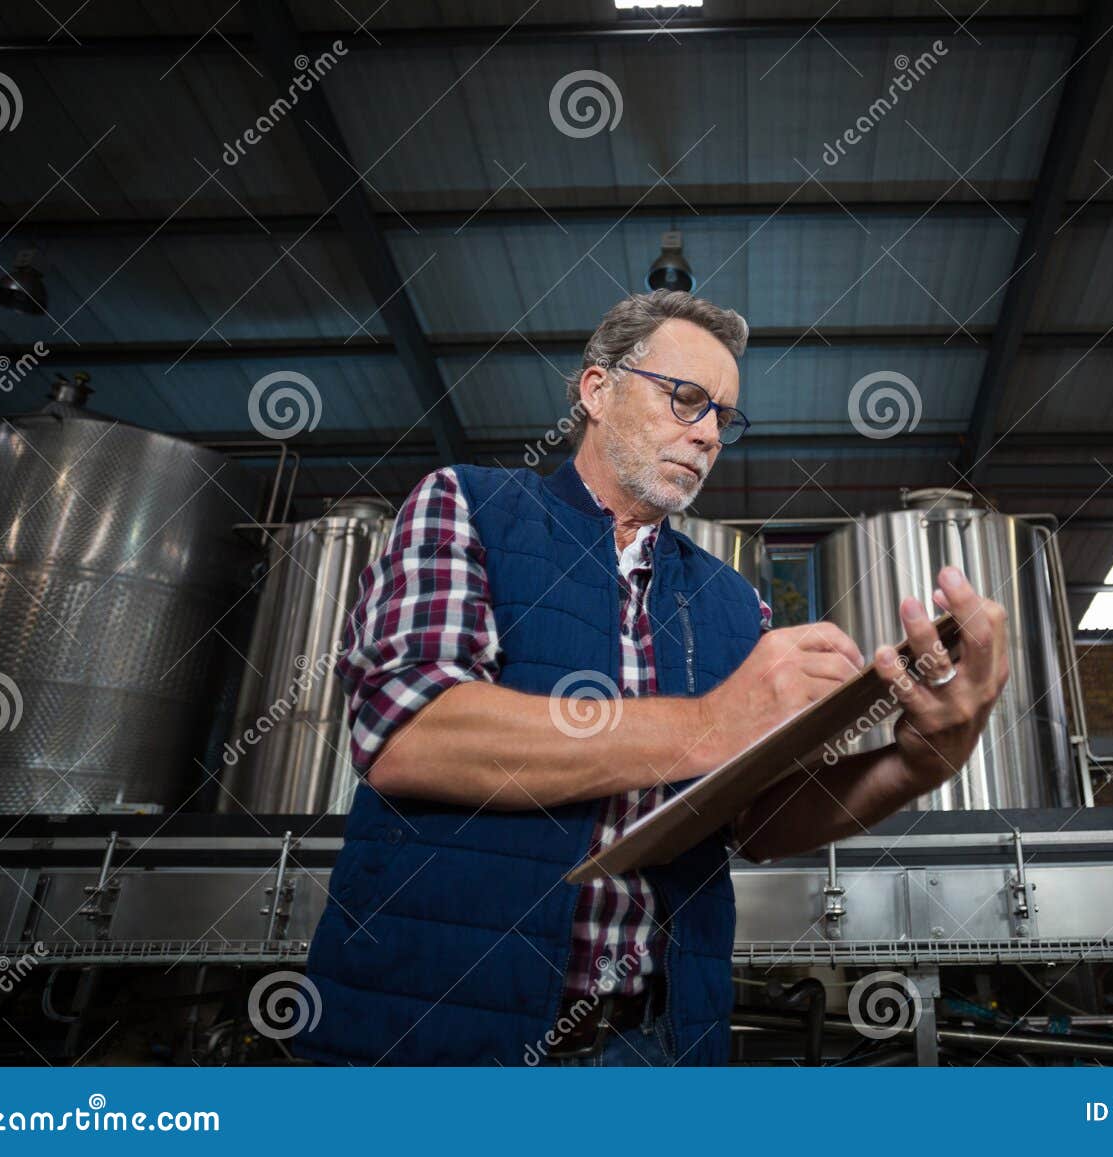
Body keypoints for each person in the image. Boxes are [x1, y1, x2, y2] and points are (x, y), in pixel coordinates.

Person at [294, 290, 1011, 1066]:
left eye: (722, 417)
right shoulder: (469, 505)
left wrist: (921, 758)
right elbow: (410, 731)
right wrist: (710, 723)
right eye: (686, 398)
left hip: (656, 1044)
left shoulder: (730, 599)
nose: (706, 432)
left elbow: (759, 823)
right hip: (437, 1035)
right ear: (597, 390)